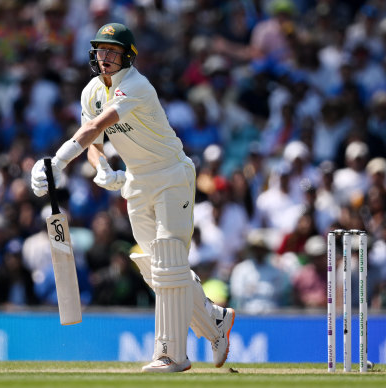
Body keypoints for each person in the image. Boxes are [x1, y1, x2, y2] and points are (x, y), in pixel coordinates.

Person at [30, 23, 235, 373]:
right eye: (100, 50)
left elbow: (97, 126)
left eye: (112, 51)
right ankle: (213, 320)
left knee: (169, 259)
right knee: (156, 267)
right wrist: (101, 167)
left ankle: (171, 355)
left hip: (171, 174)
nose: (105, 57)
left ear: (128, 56)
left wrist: (58, 160)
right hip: (137, 181)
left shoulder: (137, 85)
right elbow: (93, 142)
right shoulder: (91, 91)